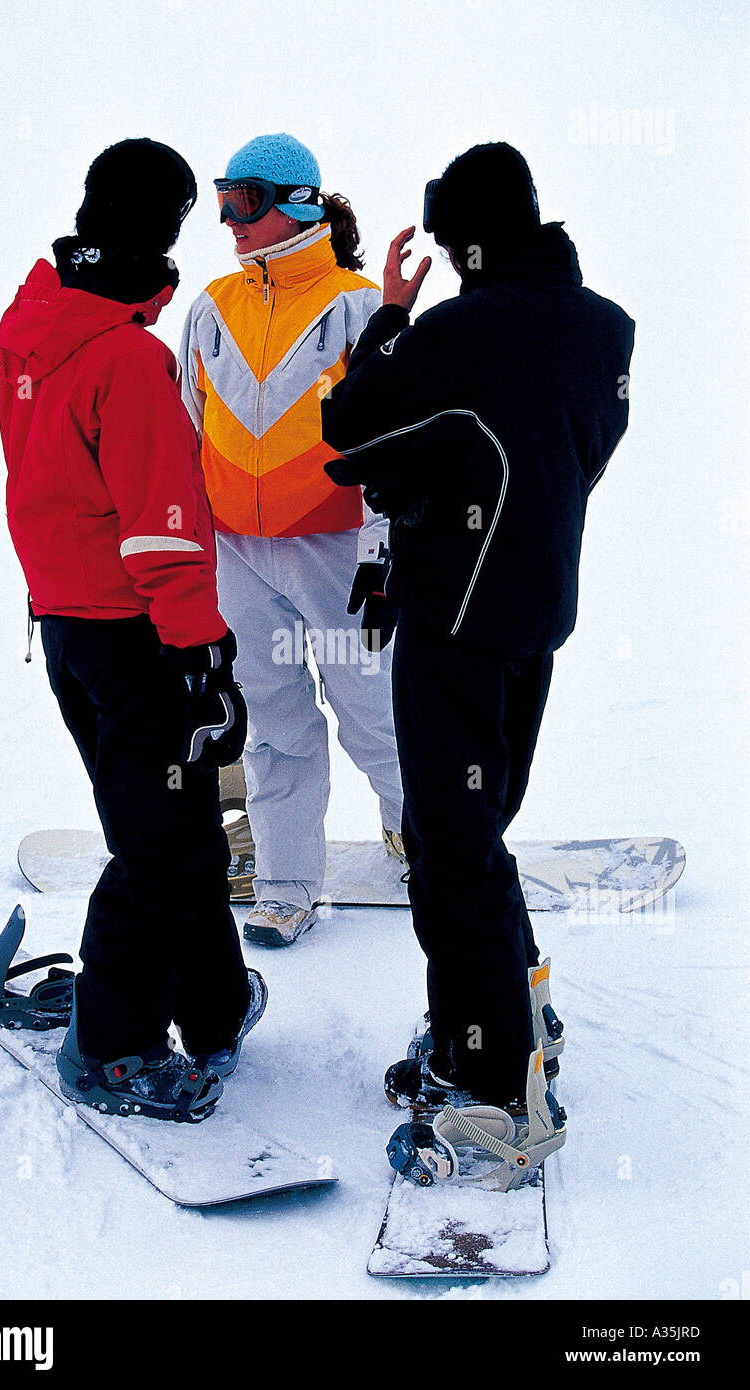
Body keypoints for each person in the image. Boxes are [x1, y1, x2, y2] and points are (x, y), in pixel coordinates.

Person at [322, 143, 635, 1111]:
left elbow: (347, 429)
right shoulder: (605, 327)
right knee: (474, 828)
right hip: (536, 609)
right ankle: (514, 1004)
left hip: (454, 615)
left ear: (460, 244)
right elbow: (565, 453)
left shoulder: (464, 326)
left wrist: (389, 317)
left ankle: (485, 1070)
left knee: (448, 846)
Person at [0, 138, 266, 1123]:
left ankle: (215, 1005)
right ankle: (110, 1047)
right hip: (140, 635)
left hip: (68, 629)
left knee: (173, 828)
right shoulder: (126, 358)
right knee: (159, 849)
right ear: (166, 228)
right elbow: (159, 528)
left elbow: (55, 487)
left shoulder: (33, 329)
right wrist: (202, 652)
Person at [178, 133, 404, 948]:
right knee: (272, 721)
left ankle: (415, 835)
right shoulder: (211, 307)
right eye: (223, 200)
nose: (230, 221)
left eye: (246, 202)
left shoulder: (356, 306)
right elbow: (186, 431)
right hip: (239, 551)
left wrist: (383, 555)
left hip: (337, 550)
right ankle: (284, 882)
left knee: (372, 709)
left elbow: (391, 445)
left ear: (297, 205)